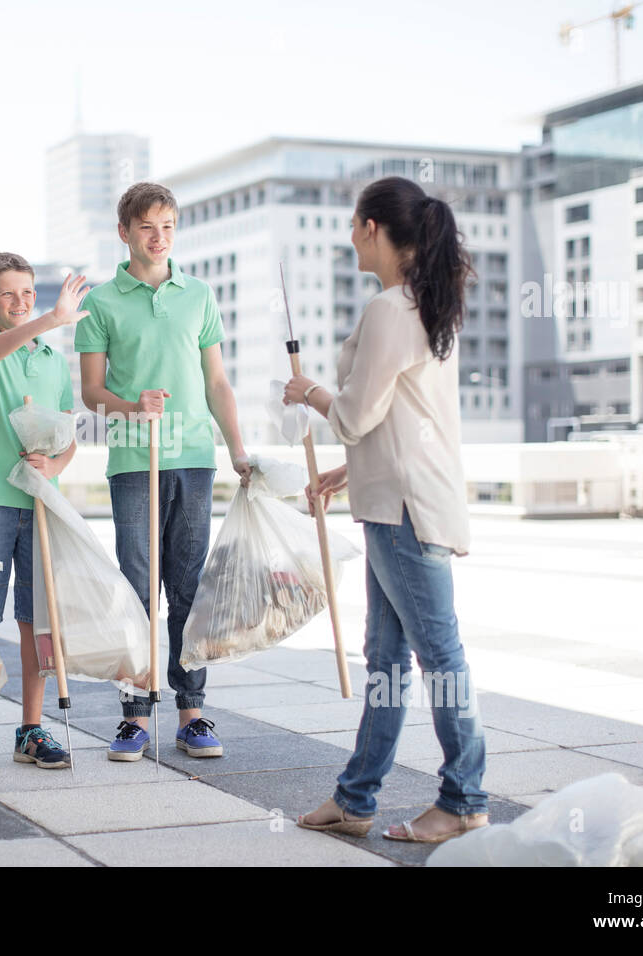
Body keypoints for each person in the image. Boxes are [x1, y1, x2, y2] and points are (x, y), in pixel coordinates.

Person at [284, 176, 488, 843]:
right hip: (398, 499)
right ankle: (357, 796)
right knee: (388, 660)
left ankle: (462, 800)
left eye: (353, 225)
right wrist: (351, 471)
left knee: (436, 656)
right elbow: (401, 417)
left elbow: (353, 414)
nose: (349, 237)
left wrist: (308, 390)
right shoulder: (421, 304)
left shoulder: (389, 310)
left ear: (374, 228)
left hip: (404, 510)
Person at [76, 182, 251, 761]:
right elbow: (91, 393)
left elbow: (217, 383)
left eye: (169, 226)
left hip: (194, 459)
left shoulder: (198, 295)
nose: (160, 238)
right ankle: (133, 716)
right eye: (148, 227)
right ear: (125, 232)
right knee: (135, 590)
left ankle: (193, 713)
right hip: (133, 461)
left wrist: (237, 450)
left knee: (187, 587)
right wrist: (131, 407)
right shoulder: (101, 303)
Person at [0, 254, 90, 773]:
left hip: (38, 504)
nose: (20, 302)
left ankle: (31, 730)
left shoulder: (54, 361)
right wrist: (52, 319)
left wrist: (52, 463)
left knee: (37, 621)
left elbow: (68, 435)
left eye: (28, 293)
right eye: (8, 295)